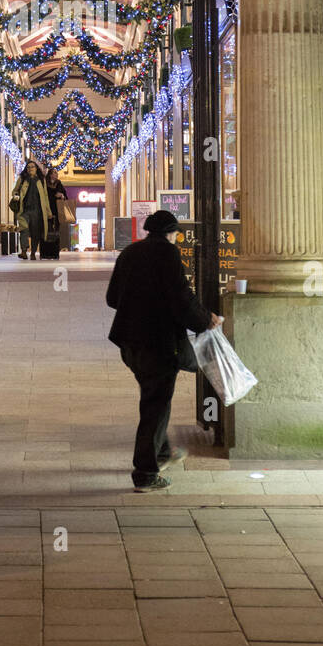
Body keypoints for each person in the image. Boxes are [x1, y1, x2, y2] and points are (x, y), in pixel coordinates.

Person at [106, 209, 222, 491]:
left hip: (130, 343)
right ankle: (145, 473)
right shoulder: (168, 255)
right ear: (171, 233)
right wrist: (207, 319)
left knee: (153, 400)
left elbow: (112, 298)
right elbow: (182, 298)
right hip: (158, 344)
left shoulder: (130, 253)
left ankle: (161, 453)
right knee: (155, 405)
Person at [10, 159, 52, 260]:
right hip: (24, 210)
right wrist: (16, 196)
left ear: (36, 168)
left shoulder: (41, 180)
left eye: (32, 167)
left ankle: (33, 253)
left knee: (35, 232)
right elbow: (15, 191)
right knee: (23, 229)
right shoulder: (22, 179)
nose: (30, 169)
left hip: (37, 211)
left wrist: (48, 211)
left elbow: (45, 196)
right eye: (28, 167)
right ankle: (24, 251)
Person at [44, 167, 70, 248]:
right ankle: (48, 245)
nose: (56, 174)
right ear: (50, 174)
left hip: (57, 208)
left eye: (56, 172)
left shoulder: (59, 183)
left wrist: (62, 195)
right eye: (54, 172)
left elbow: (65, 195)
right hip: (48, 207)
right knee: (48, 226)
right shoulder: (45, 183)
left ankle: (56, 246)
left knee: (57, 227)